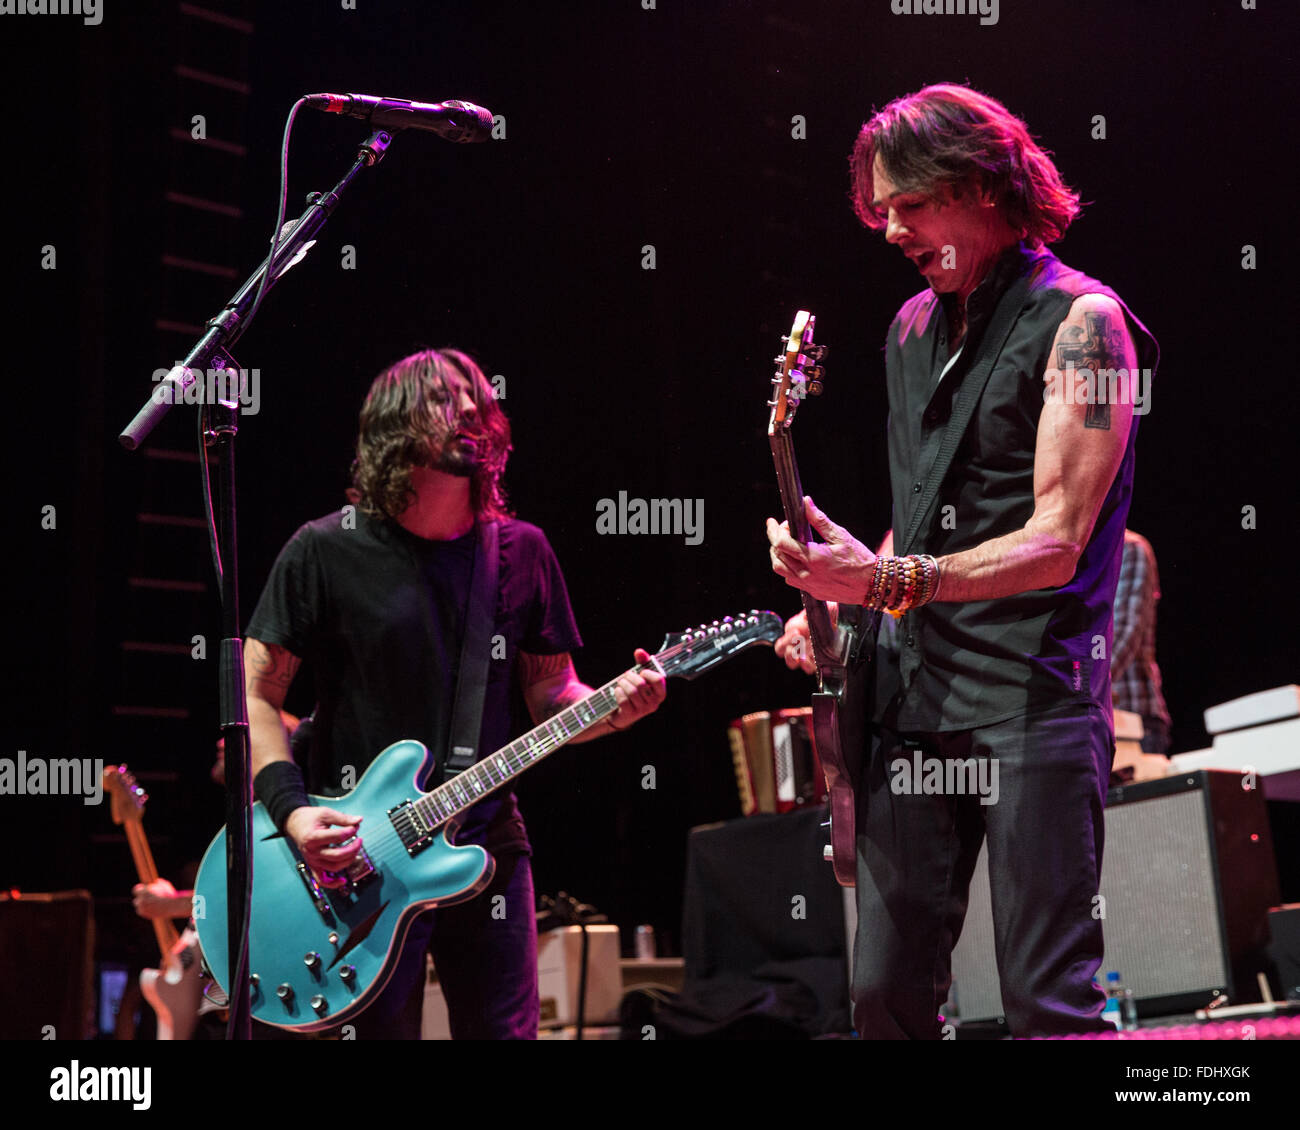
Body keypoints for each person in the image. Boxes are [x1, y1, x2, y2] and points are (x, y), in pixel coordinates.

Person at [766, 84, 1159, 1038]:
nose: (891, 228)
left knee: (1043, 999)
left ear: (983, 186)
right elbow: (923, 517)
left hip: (1031, 697)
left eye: (910, 205)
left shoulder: (1088, 324)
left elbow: (1058, 539)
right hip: (914, 700)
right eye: (882, 211)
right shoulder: (908, 331)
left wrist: (892, 583)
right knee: (883, 998)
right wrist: (852, 588)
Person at [243, 347, 665, 1039]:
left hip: (484, 843)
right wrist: (291, 814)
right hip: (356, 856)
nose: (470, 408)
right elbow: (257, 694)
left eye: (476, 397)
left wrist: (614, 709)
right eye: (445, 399)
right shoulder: (323, 551)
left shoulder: (521, 552)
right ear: (393, 425)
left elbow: (553, 694)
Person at [1112, 528, 1171, 754]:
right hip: (1090, 718)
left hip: (1135, 720)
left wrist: (1080, 691)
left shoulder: (1129, 547)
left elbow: (1125, 632)